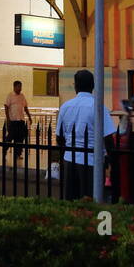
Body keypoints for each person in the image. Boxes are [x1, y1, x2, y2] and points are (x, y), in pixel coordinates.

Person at [55, 69, 117, 201]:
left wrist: (65, 153)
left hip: (69, 159)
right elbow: (108, 139)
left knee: (71, 201)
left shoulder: (65, 107)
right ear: (93, 86)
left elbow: (59, 138)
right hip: (92, 162)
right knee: (90, 202)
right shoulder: (99, 107)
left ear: (75, 86)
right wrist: (112, 162)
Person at [4, 80, 31, 162]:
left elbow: (25, 107)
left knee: (20, 138)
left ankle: (18, 154)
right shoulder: (10, 95)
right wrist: (8, 119)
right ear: (14, 87)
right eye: (18, 86)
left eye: (21, 86)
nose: (20, 88)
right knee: (10, 137)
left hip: (21, 120)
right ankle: (4, 151)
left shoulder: (22, 96)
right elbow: (6, 107)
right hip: (13, 120)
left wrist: (29, 117)